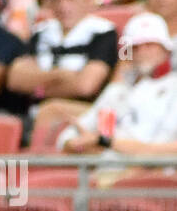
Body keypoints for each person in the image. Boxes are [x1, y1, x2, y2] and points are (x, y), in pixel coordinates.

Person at [5, 0, 118, 130]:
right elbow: (15, 79)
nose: (63, 6)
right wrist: (61, 75)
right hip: (30, 113)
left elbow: (86, 86)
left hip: (79, 112)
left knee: (49, 112)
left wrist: (38, 86)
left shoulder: (103, 31)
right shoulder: (41, 30)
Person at [56, 12, 177, 155]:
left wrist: (103, 142)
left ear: (165, 50)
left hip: (151, 173)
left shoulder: (173, 88)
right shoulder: (117, 91)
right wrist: (74, 144)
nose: (142, 52)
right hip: (105, 169)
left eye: (150, 45)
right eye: (135, 47)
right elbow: (73, 134)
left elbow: (161, 149)